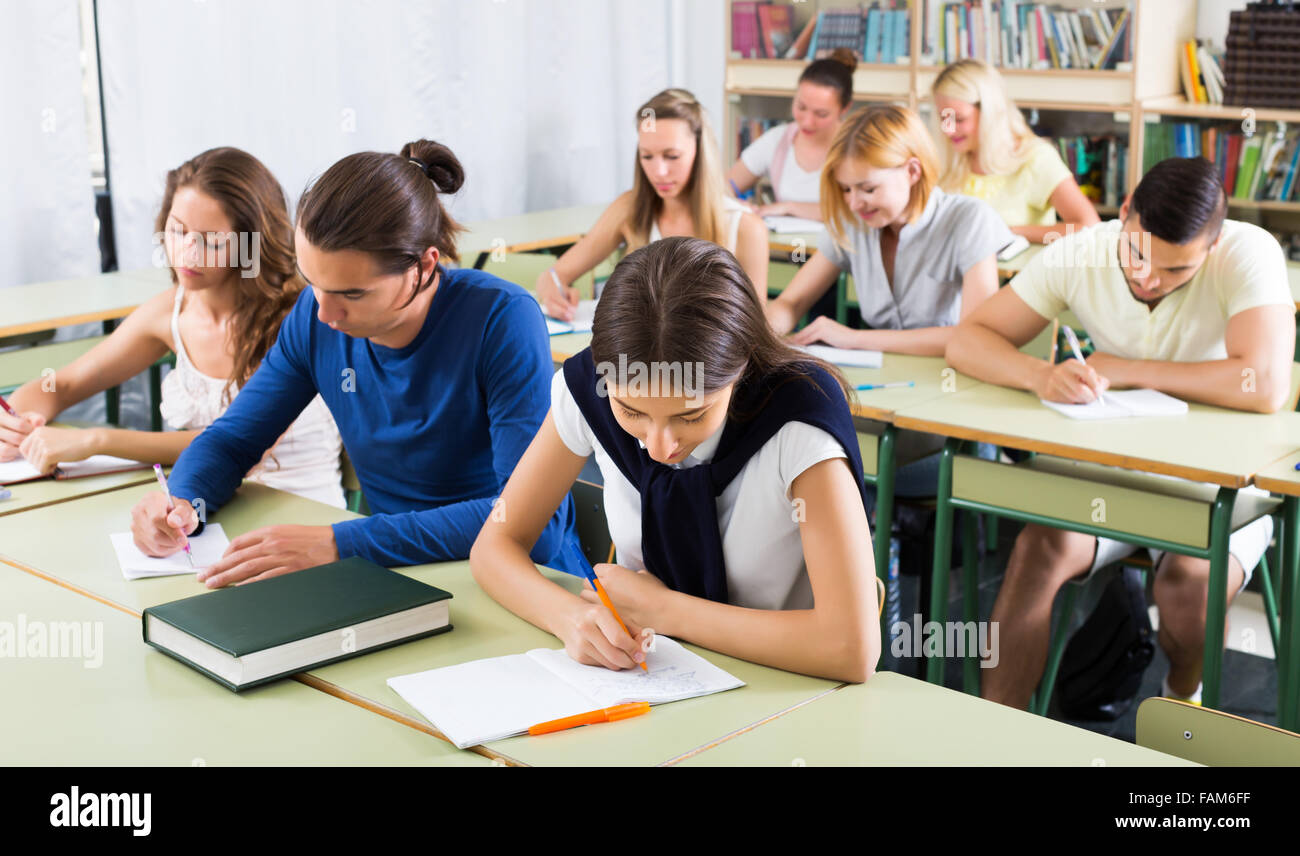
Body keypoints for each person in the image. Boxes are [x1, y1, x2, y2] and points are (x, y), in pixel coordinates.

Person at [129, 139, 575, 586]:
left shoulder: (501, 318)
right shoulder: (313, 315)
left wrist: (343, 544)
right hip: (402, 576)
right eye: (313, 282)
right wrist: (185, 501)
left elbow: (531, 524)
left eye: (352, 294)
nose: (325, 313)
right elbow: (233, 442)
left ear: (423, 267)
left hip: (524, 585)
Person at [946, 157, 1295, 708]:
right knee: (1035, 553)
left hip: (1222, 480)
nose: (1147, 278)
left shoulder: (1248, 251)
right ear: (1125, 211)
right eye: (1137, 255)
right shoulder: (1083, 250)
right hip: (1107, 469)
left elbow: (1266, 385)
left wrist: (1130, 368)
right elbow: (969, 340)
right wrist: (1042, 375)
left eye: (1177, 271)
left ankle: (1182, 699)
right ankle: (998, 731)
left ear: (1214, 242)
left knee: (1187, 588)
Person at [472, 237, 879, 682]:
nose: (660, 447)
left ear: (740, 370)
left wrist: (665, 611)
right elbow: (495, 547)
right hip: (644, 682)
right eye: (632, 413)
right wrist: (569, 618)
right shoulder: (590, 389)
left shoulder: (800, 418)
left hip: (787, 691)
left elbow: (851, 648)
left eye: (691, 415)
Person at [0, 147, 343, 506]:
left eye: (211, 241)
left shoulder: (297, 318)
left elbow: (238, 442)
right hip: (211, 507)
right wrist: (16, 420)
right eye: (178, 231)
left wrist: (96, 440)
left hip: (300, 508)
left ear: (252, 243)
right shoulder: (171, 311)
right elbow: (64, 383)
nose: (187, 253)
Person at [537, 88, 768, 321]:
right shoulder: (629, 208)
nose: (659, 172)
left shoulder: (746, 228)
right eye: (647, 156)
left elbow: (756, 328)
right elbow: (553, 276)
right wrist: (552, 290)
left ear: (700, 153)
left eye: (672, 156)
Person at [932, 59, 1100, 244]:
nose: (948, 130)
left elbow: (1089, 227)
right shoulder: (947, 158)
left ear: (990, 113)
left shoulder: (1035, 158)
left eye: (959, 119)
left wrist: (1009, 233)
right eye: (944, 118)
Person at [726, 48, 856, 221]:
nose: (807, 122)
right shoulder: (777, 140)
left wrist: (788, 207)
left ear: (845, 109)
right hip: (793, 247)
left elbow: (853, 211)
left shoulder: (857, 148)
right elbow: (724, 187)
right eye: (801, 107)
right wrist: (735, 204)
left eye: (821, 114)